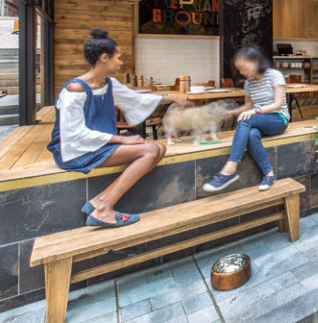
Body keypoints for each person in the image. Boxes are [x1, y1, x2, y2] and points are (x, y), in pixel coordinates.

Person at [48, 28, 189, 228]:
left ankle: (100, 201)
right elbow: (74, 134)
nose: (121, 62)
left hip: (98, 146)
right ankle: (104, 208)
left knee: (160, 148)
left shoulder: (108, 84)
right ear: (104, 58)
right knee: (150, 150)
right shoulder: (75, 89)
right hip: (73, 150)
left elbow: (136, 99)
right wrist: (123, 139)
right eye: (119, 57)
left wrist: (170, 98)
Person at [203, 46, 289, 193]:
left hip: (278, 118)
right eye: (239, 69)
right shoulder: (249, 83)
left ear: (255, 61)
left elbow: (278, 103)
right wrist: (230, 113)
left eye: (243, 68)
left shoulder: (274, 75)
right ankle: (269, 174)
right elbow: (248, 105)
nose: (242, 72)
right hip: (259, 119)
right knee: (251, 134)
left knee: (246, 120)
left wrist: (255, 111)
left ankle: (230, 168)